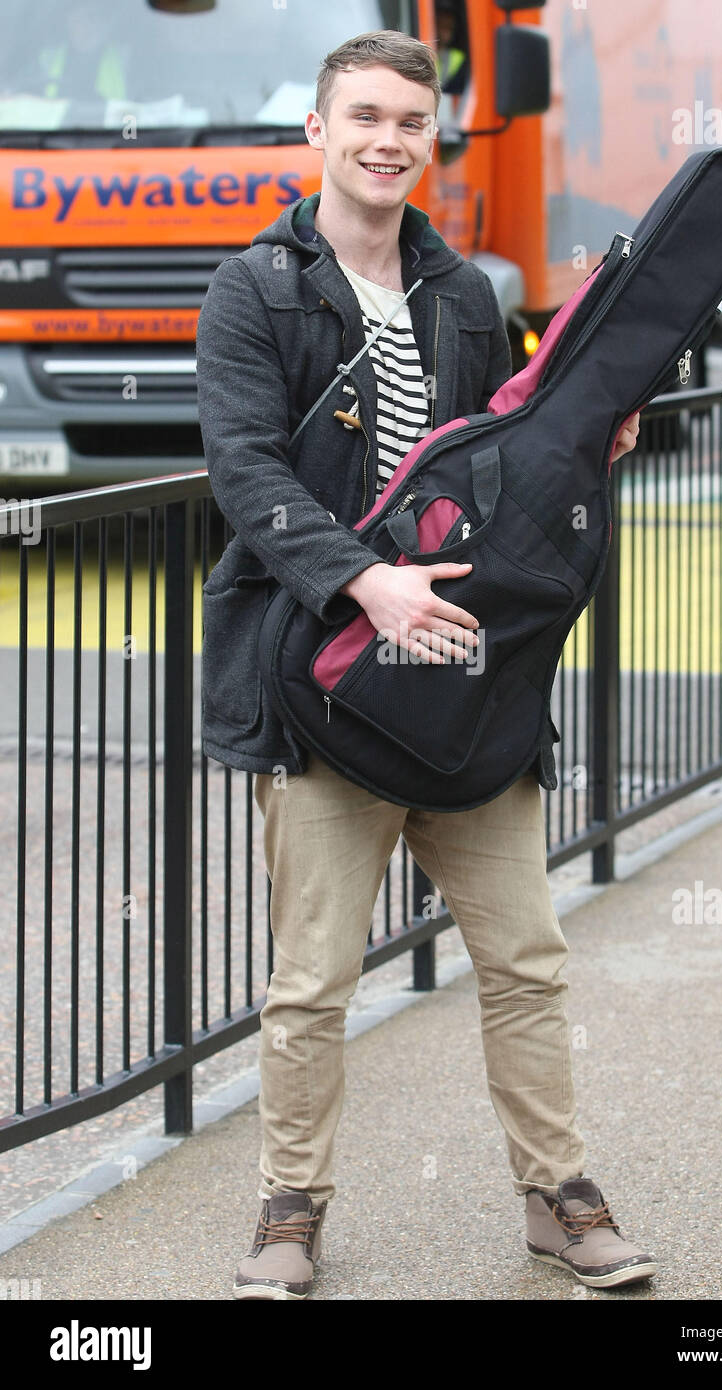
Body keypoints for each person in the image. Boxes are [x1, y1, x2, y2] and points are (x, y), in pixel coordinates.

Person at [194, 28, 649, 1301]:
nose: (389, 141)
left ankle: (560, 1201)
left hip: (466, 685)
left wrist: (583, 448)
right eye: (366, 118)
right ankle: (290, 1216)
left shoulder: (465, 294)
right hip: (320, 679)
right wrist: (365, 579)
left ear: (431, 142)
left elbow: (495, 461)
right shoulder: (254, 290)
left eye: (412, 122)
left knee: (527, 961)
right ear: (320, 132)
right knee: (311, 984)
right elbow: (245, 469)